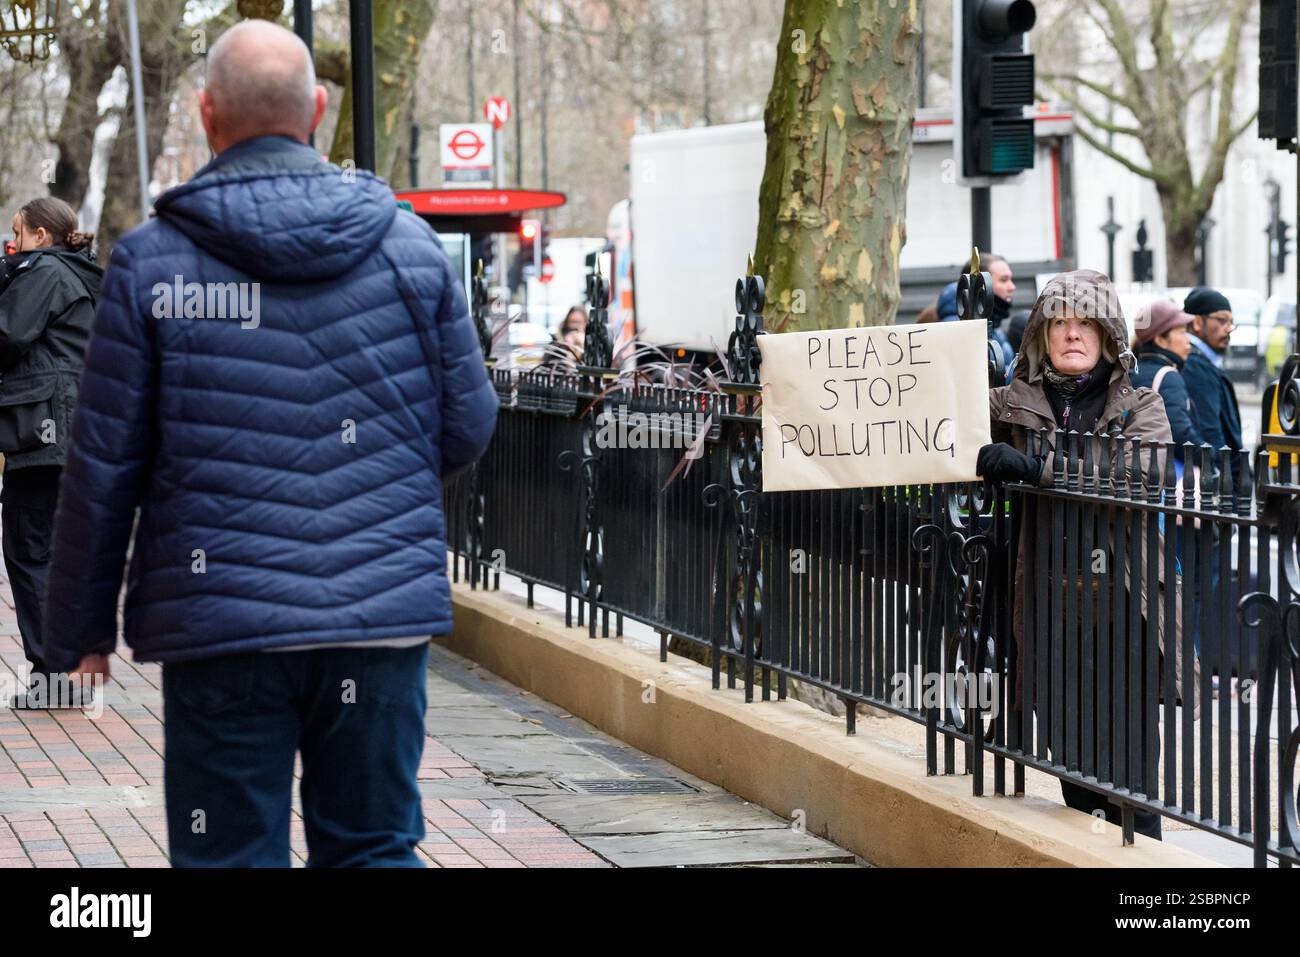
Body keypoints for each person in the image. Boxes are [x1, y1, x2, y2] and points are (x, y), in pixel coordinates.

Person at [42, 20, 498, 866]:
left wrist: (78, 630)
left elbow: (103, 464)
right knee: (373, 845)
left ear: (208, 115)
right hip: (376, 616)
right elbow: (468, 425)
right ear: (319, 109)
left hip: (224, 624)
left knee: (230, 854)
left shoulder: (152, 264)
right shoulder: (409, 249)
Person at [976, 268, 1199, 841]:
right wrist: (960, 344)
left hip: (1123, 614)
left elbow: (1142, 475)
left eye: (1086, 324)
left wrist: (1039, 470)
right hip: (1048, 614)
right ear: (1041, 335)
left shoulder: (1141, 404)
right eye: (1060, 323)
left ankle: (1141, 875)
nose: (1072, 334)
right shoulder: (1012, 405)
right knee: (1070, 761)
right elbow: (934, 416)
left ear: (1107, 335)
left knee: (1130, 774)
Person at [0, 197, 102, 709]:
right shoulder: (81, 274)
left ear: (42, 235)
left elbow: (7, 334)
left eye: (18, 235)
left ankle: (55, 677)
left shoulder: (46, 272)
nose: (13, 244)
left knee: (29, 549)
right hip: (75, 432)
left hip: (46, 436)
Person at [1130, 300, 1204, 469]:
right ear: (1161, 340)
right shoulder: (1168, 376)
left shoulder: (1132, 371)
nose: (1188, 341)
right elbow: (1179, 432)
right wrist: (1208, 456)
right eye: (1183, 332)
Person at [1180, 287, 1244, 464]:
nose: (1229, 329)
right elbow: (1209, 431)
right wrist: (1225, 482)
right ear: (1198, 322)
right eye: (1222, 320)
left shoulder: (1204, 361)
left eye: (1231, 322)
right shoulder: (1196, 364)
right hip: (1217, 482)